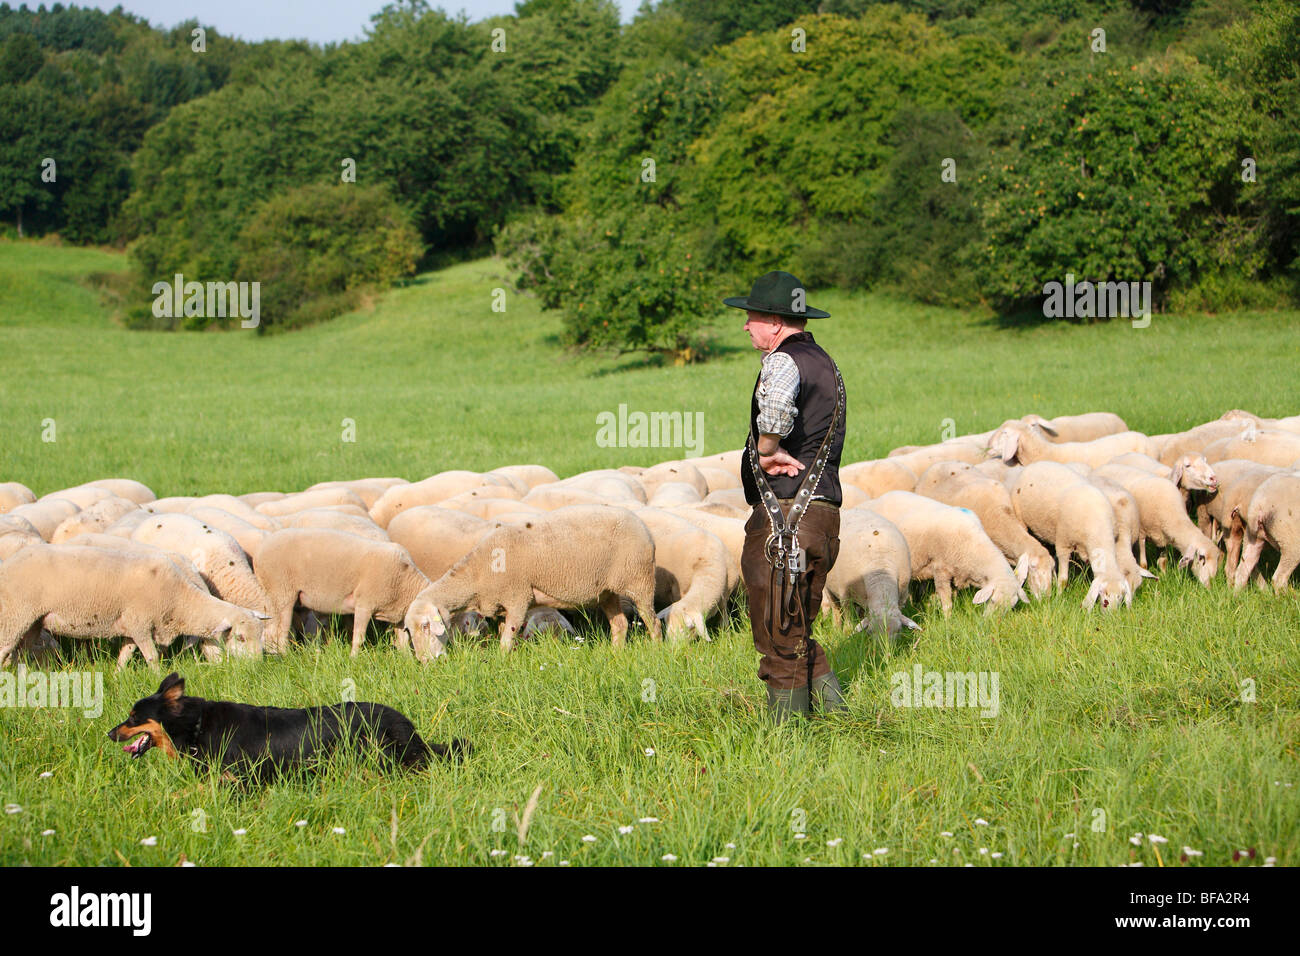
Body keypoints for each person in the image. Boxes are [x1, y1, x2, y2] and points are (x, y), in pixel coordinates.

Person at [724, 270, 848, 721]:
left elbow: (775, 408)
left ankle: (787, 742)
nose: (746, 325)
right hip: (822, 517)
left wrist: (767, 447)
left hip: (785, 518)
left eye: (752, 316)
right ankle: (838, 720)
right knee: (795, 628)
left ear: (775, 321)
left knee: (777, 635)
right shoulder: (825, 363)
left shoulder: (781, 362)